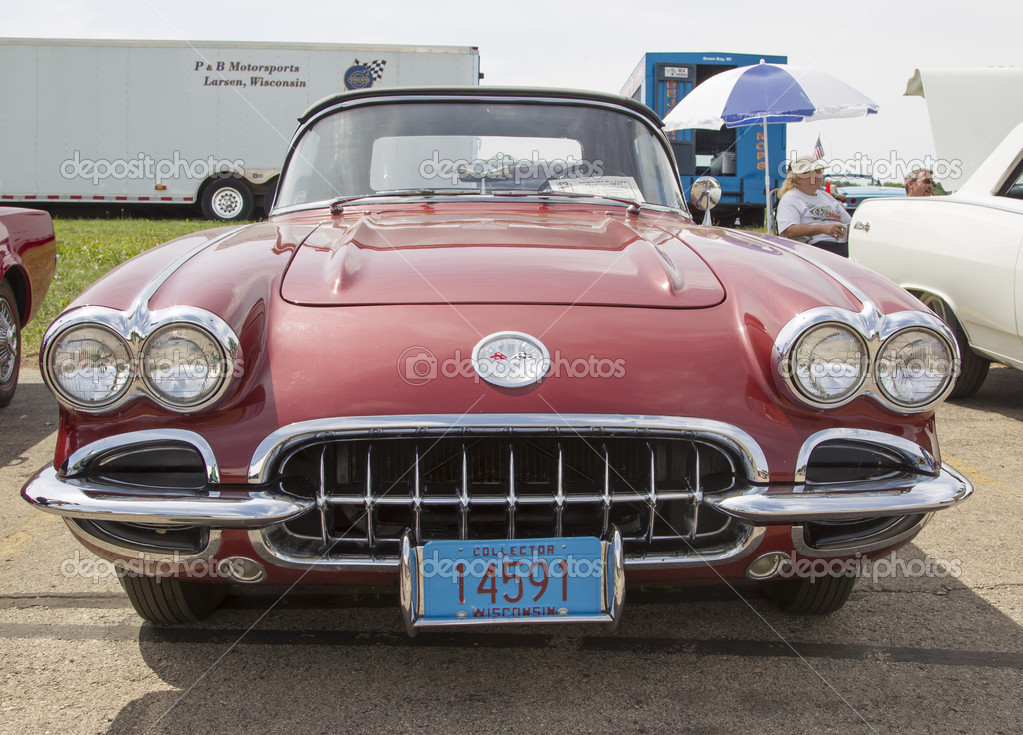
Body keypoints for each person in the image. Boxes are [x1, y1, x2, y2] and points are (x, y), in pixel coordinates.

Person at [776, 156, 850, 257]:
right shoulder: (791, 198)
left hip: (840, 244)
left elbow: (849, 223)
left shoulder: (827, 196)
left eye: (819, 171)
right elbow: (790, 230)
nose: (818, 176)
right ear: (798, 178)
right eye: (811, 173)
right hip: (812, 248)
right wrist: (824, 229)